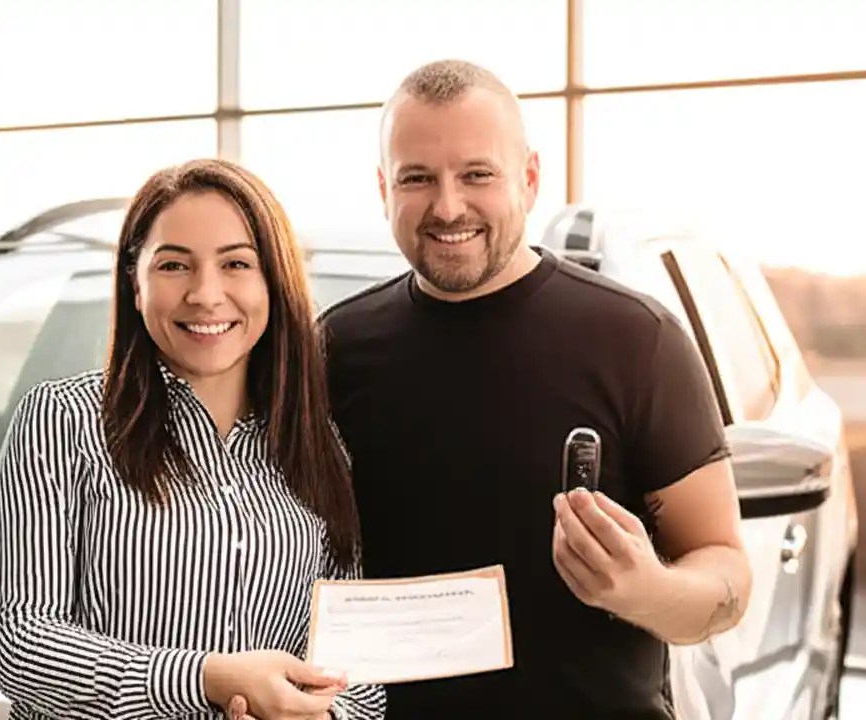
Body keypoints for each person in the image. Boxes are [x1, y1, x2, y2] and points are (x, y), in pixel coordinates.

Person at [317, 60, 754, 717]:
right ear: (384, 189)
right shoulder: (332, 349)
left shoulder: (637, 341)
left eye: (476, 174)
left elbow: (726, 573)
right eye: (417, 178)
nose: (447, 206)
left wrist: (645, 589)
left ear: (529, 178)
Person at [0, 158, 386, 720]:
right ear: (135, 281)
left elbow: (356, 672)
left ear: (273, 280)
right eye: (174, 265)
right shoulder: (61, 421)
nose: (206, 294)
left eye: (237, 264)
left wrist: (326, 715)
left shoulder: (319, 447)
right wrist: (208, 678)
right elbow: (22, 646)